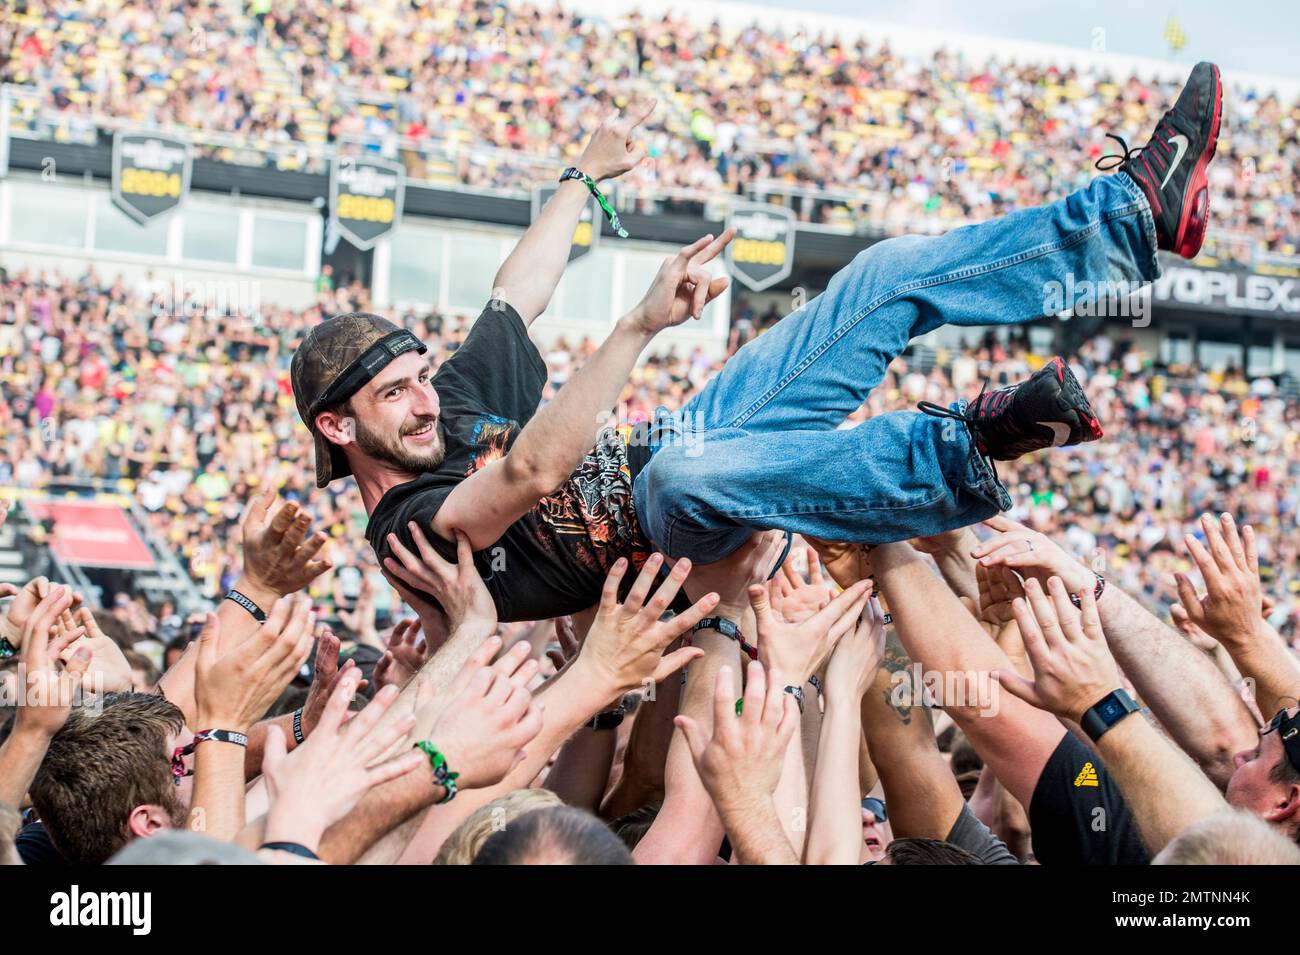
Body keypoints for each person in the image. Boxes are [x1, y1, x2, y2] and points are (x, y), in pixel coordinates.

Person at [290, 64, 1223, 624]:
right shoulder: (404, 528)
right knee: (676, 483)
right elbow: (530, 475)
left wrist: (580, 173)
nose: (424, 401)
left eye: (420, 377)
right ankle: (963, 443)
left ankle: (1129, 215)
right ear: (337, 427)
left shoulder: (440, 408)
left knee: (882, 273)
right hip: (673, 528)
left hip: (699, 437)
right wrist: (637, 327)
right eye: (395, 395)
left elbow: (511, 301)